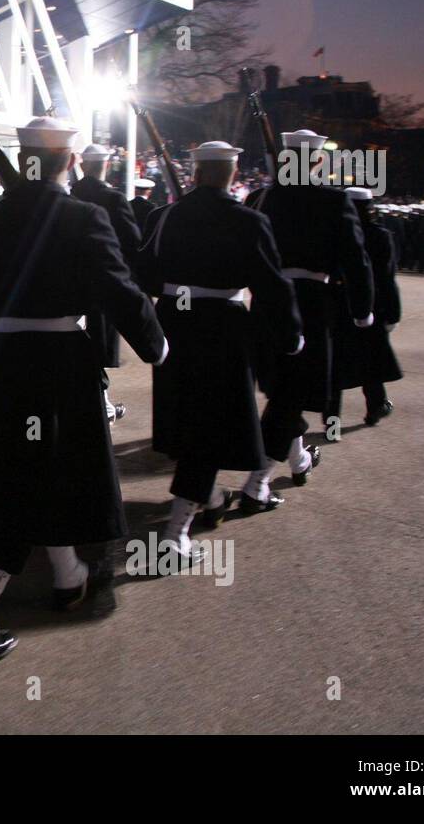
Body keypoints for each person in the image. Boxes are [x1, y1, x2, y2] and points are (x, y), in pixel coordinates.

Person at [0, 117, 167, 668]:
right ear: (69, 160)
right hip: (59, 366)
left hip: (4, 362)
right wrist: (155, 344)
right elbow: (119, 287)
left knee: (45, 473)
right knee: (23, 488)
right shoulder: (81, 215)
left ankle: (69, 576)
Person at [134, 141, 301, 561]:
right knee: (208, 428)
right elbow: (270, 282)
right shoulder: (248, 220)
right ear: (230, 172)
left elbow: (144, 274)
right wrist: (290, 331)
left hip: (173, 319)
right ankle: (175, 534)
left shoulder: (164, 215)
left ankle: (207, 497)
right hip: (222, 326)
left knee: (186, 418)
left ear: (196, 172)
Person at [246, 129, 375, 507]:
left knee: (284, 388)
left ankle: (299, 459)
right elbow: (356, 258)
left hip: (265, 303)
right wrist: (362, 309)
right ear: (318, 161)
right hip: (312, 302)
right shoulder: (333, 201)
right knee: (294, 393)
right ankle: (258, 483)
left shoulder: (261, 198)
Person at [72, 143, 144, 424]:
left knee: (83, 347)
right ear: (105, 166)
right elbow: (132, 243)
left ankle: (103, 403)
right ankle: (102, 406)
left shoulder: (70, 195)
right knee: (96, 349)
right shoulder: (113, 199)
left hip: (72, 286)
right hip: (103, 284)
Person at [327, 187, 402, 428]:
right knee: (371, 361)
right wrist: (393, 313)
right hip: (373, 304)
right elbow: (388, 278)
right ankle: (375, 407)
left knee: (336, 364)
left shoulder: (333, 233)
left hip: (337, 304)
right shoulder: (380, 235)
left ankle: (332, 420)